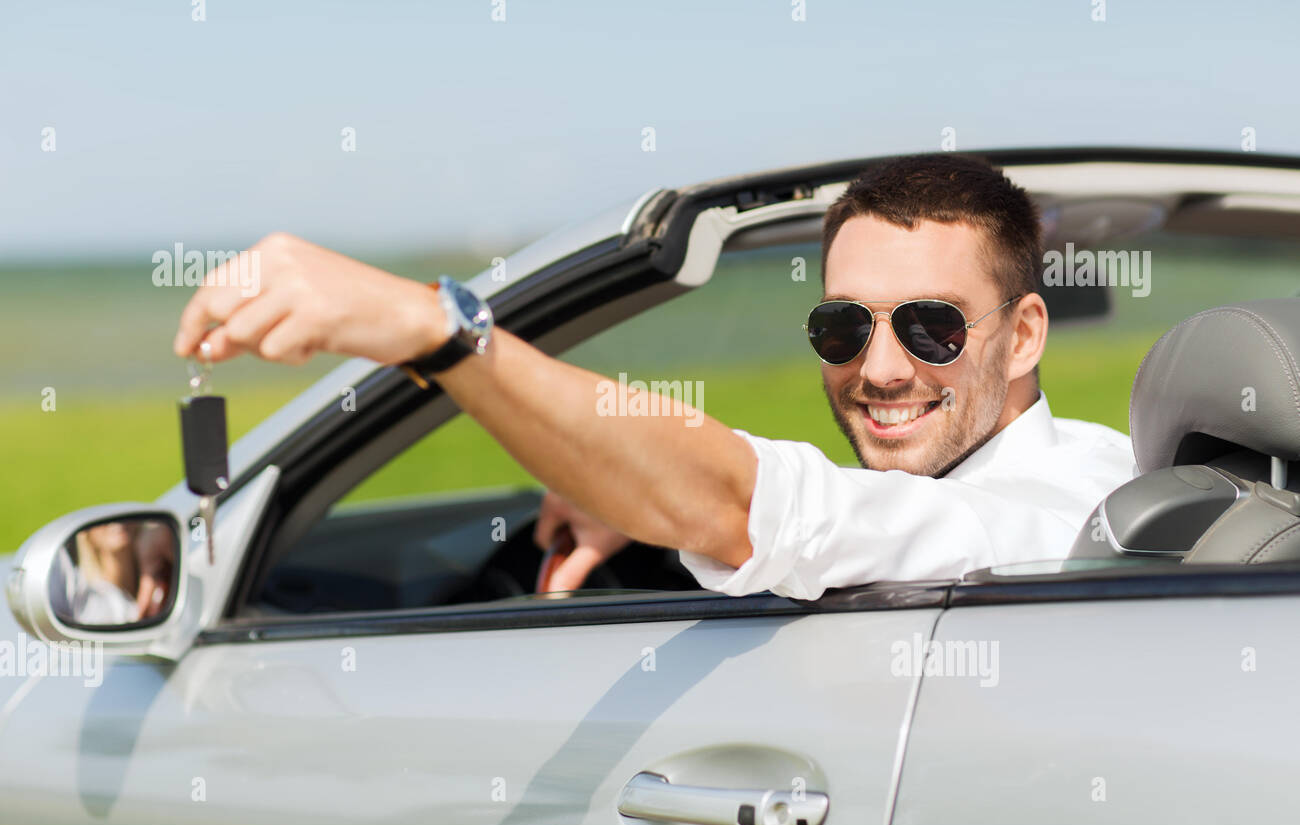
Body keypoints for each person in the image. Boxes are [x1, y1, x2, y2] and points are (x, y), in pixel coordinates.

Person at [173, 154, 1137, 601]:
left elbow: (750, 505)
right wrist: (633, 500)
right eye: (843, 325)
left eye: (932, 327)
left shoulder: (1051, 525)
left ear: (1022, 338)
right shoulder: (1103, 464)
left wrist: (431, 326)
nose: (878, 368)